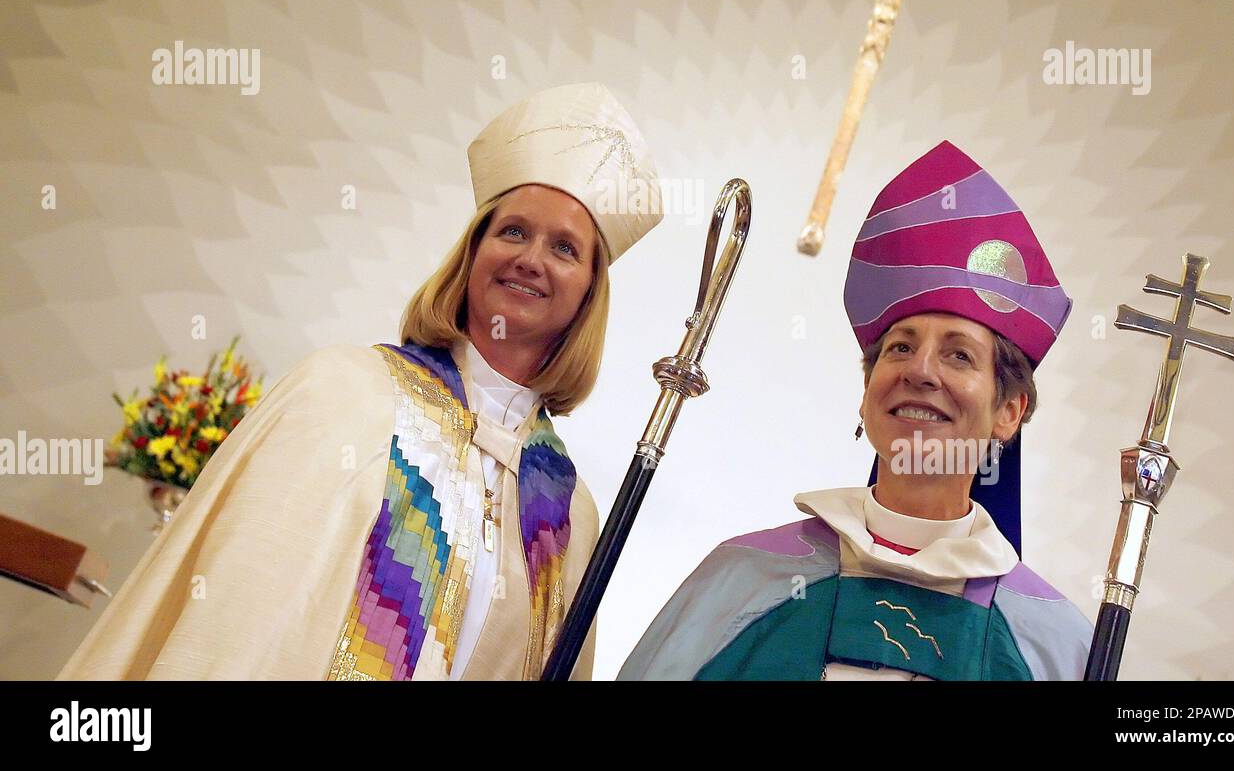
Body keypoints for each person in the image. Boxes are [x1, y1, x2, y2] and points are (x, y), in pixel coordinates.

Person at [60, 82, 662, 680]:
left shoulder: (567, 516)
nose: (531, 257)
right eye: (512, 231)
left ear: (589, 291)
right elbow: (233, 621)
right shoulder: (347, 394)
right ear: (472, 252)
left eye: (564, 247)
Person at [618, 140, 1091, 681]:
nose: (921, 371)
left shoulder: (1053, 645)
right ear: (867, 390)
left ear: (1009, 410)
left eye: (958, 354)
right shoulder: (745, 580)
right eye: (900, 347)